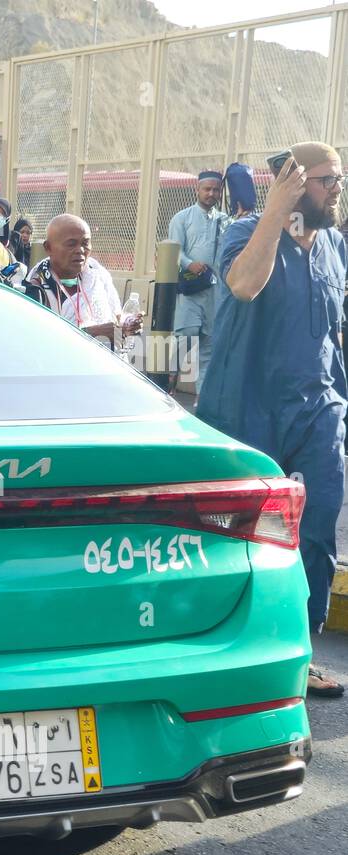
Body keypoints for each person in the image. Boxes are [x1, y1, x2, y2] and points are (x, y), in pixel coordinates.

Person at [196, 143, 346, 698]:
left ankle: (300, 650)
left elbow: (334, 331)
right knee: (239, 535)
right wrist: (277, 212)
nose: (336, 189)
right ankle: (226, 647)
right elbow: (243, 285)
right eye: (326, 179)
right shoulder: (245, 235)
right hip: (250, 410)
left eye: (339, 178)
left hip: (319, 411)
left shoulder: (333, 245)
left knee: (314, 532)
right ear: (294, 180)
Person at [22, 214, 142, 346]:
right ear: (48, 248)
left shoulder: (97, 274)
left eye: (85, 243)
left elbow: (116, 317)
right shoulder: (35, 287)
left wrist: (127, 325)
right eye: (71, 244)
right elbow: (38, 341)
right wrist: (94, 333)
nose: (80, 250)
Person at [168, 170, 226, 388]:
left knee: (209, 346)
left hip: (216, 291)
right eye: (207, 189)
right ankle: (169, 380)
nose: (211, 194)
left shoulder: (224, 221)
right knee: (187, 334)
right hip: (191, 289)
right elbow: (175, 250)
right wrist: (189, 263)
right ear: (197, 190)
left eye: (216, 190)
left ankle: (203, 401)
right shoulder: (182, 218)